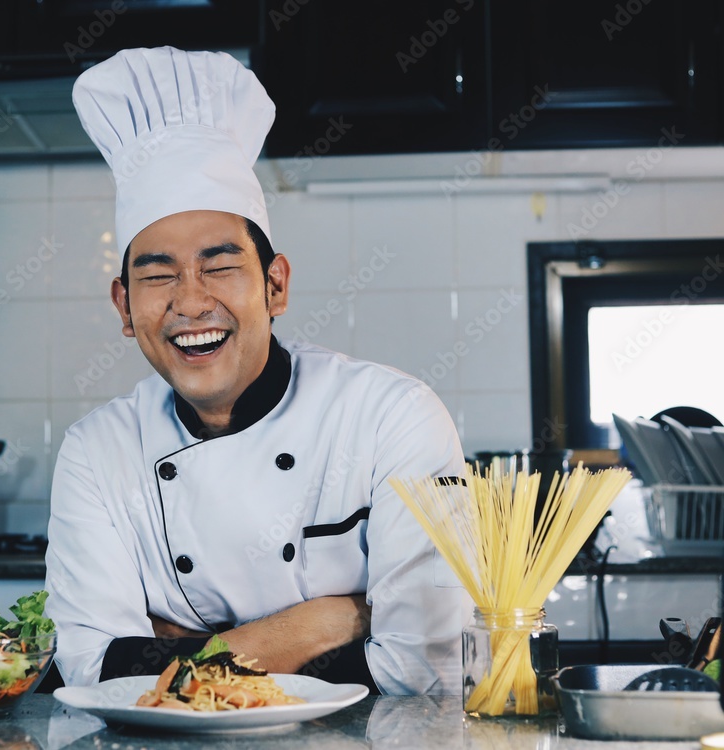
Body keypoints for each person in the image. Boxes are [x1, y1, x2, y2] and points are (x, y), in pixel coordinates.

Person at [45, 46, 471, 695]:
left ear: (275, 286)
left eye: (219, 266)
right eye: (158, 274)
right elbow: (90, 669)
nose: (189, 302)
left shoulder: (391, 417)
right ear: (124, 307)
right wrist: (323, 621)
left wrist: (180, 652)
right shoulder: (96, 451)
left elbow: (427, 666)